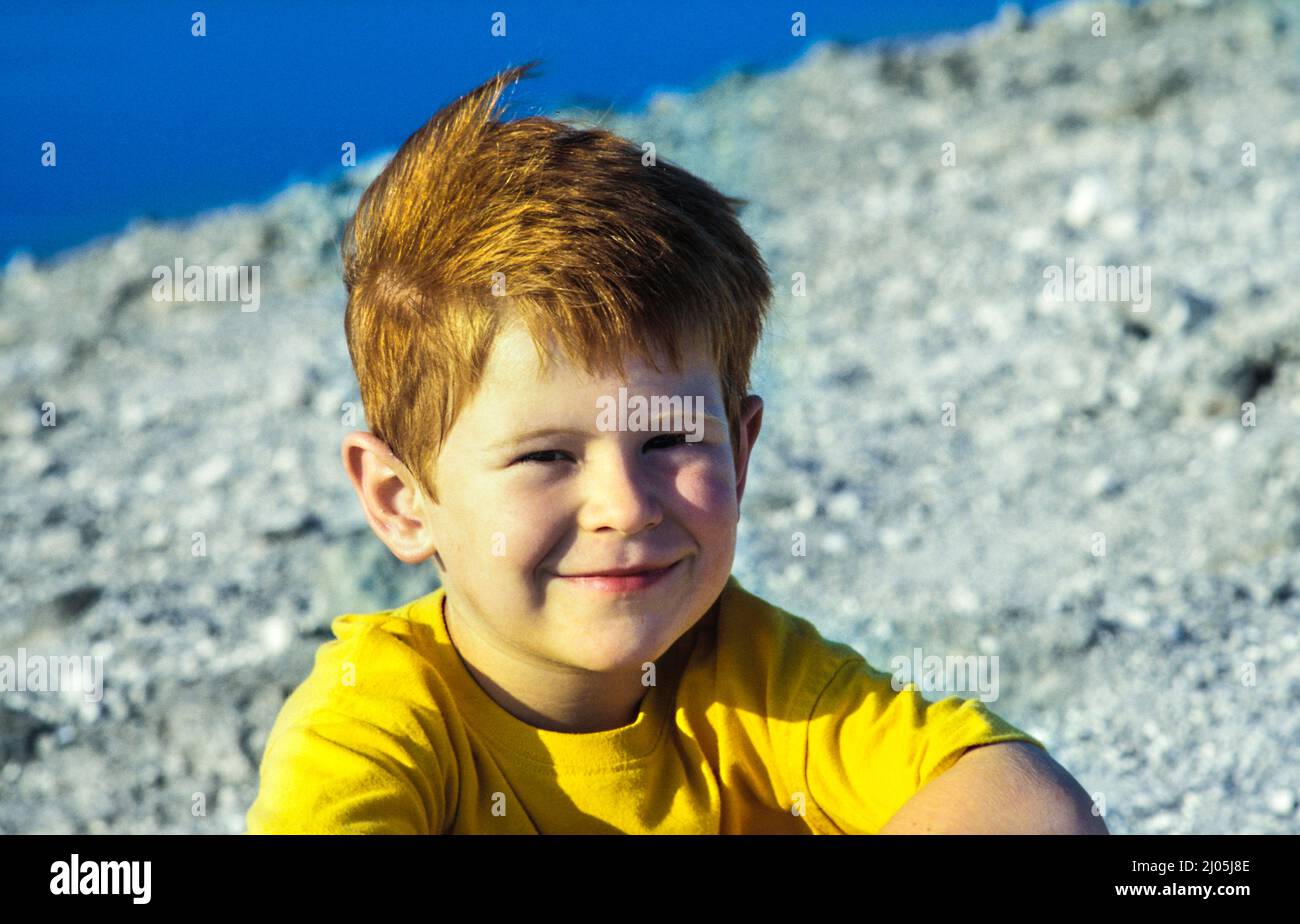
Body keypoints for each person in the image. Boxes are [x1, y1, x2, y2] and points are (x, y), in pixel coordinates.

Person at [244, 61, 1106, 835]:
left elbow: (1031, 806)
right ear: (401, 500)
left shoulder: (751, 674)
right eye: (548, 456)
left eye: (670, 439)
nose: (625, 504)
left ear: (742, 447)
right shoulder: (373, 722)